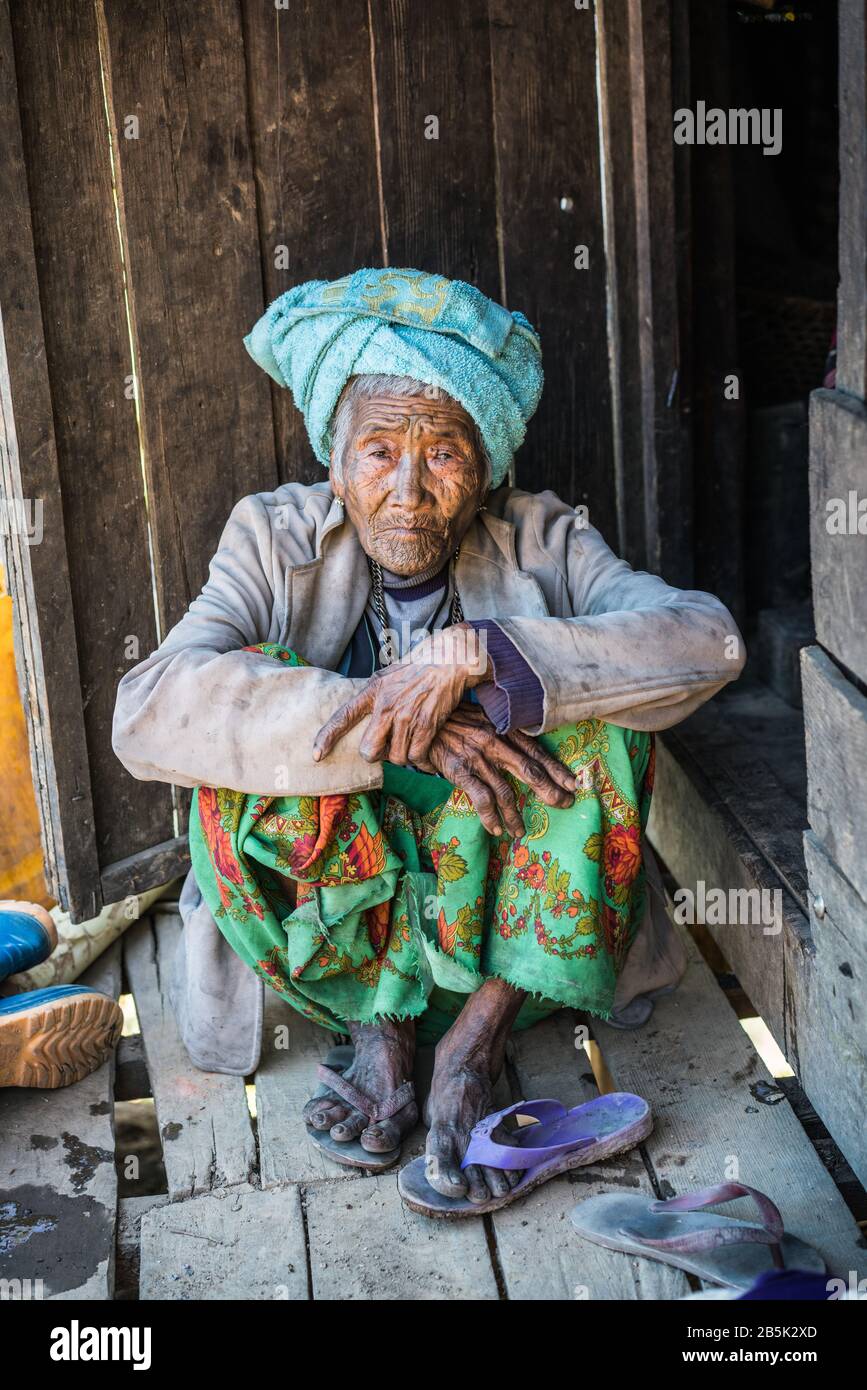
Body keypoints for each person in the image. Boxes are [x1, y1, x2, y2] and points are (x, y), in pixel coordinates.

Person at [112, 268, 744, 1205]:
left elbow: (708, 640)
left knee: (597, 708)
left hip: (505, 946)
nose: (406, 490)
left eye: (442, 454)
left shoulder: (541, 539)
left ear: (484, 469)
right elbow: (149, 709)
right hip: (325, 947)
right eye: (377, 451)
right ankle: (379, 1027)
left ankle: (469, 1045)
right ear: (334, 462)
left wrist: (488, 657)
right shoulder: (268, 535)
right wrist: (393, 724)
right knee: (246, 713)